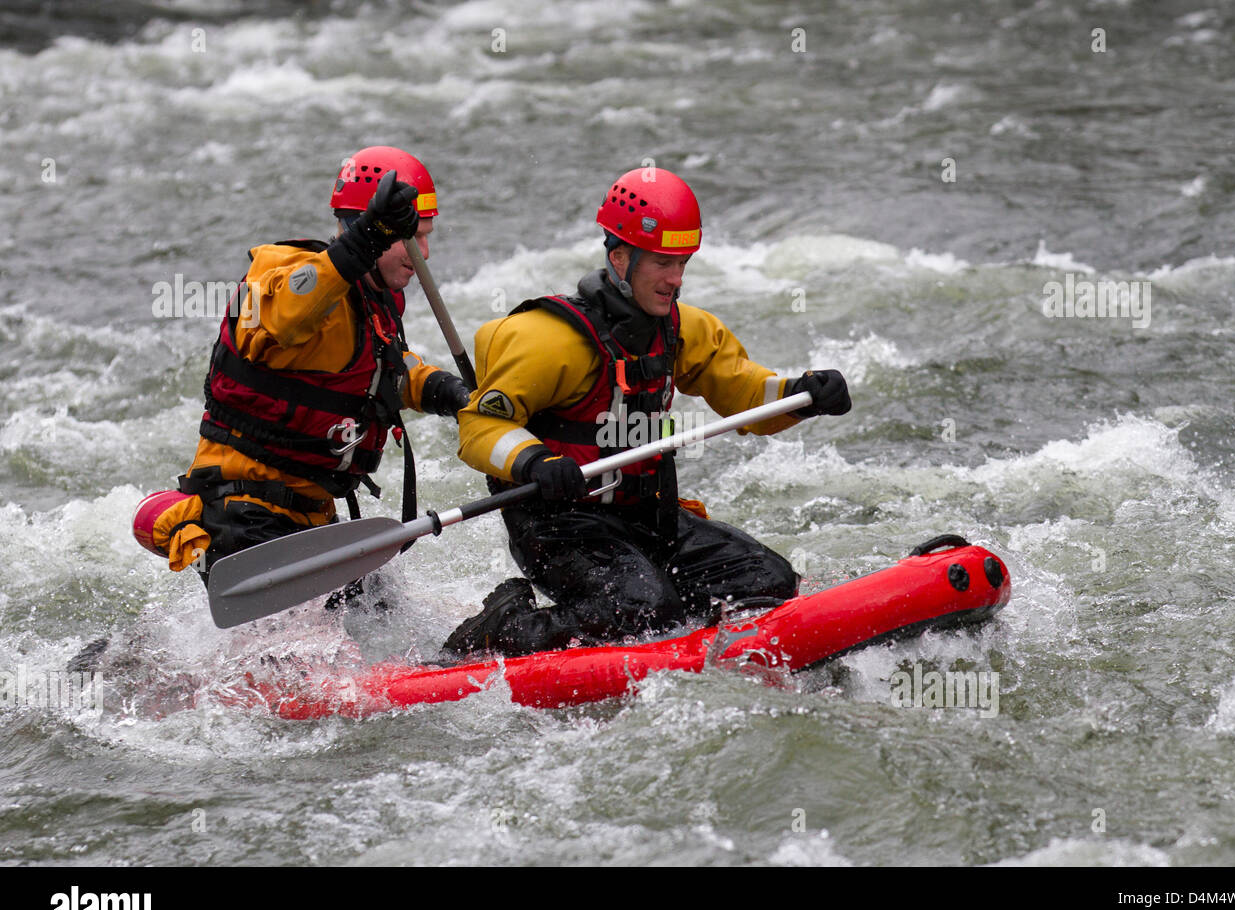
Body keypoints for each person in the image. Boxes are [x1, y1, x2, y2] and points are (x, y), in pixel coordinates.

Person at [446, 167, 851, 657]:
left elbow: (743, 393)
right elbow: (479, 425)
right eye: (662, 263)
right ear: (620, 258)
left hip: (647, 518)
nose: (676, 279)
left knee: (767, 580)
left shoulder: (684, 329)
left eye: (682, 263)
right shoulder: (548, 341)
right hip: (560, 527)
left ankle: (675, 624)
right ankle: (504, 625)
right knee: (638, 606)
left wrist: (804, 394)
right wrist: (535, 461)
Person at [140, 146, 470, 582]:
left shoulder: (375, 299)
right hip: (244, 516)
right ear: (363, 227)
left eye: (427, 236)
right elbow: (286, 316)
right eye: (410, 238)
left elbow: (380, 371)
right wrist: (366, 239)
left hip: (312, 520)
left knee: (386, 615)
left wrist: (448, 392)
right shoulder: (283, 275)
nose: (422, 253)